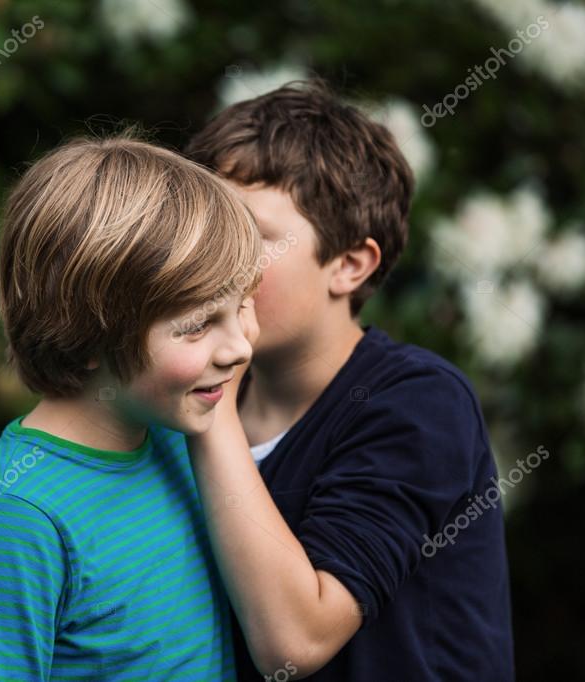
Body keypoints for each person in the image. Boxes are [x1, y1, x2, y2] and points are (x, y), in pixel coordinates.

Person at [184, 80, 515, 681]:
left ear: (349, 265)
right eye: (208, 229)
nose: (212, 260)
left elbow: (295, 640)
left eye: (249, 236)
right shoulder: (181, 402)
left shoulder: (419, 403)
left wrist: (213, 410)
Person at [0, 135, 262, 680]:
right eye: (199, 324)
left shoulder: (177, 437)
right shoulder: (11, 518)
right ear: (84, 336)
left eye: (241, 306)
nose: (240, 348)